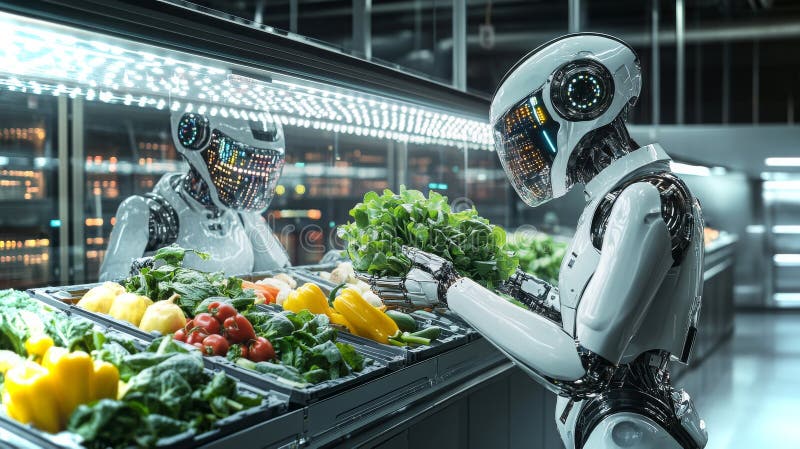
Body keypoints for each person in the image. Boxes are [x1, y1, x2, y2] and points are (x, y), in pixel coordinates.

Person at [361, 33, 708, 449]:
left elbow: (583, 365)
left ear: (576, 98)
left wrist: (451, 287)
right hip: (622, 422)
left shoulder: (643, 198)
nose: (525, 154)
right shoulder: (621, 196)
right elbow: (576, 316)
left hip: (628, 430)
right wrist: (503, 282)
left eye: (526, 135)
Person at [100, 110, 289, 280]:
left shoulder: (244, 217)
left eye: (263, 167)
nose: (251, 176)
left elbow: (283, 279)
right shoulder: (148, 215)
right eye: (239, 159)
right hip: (170, 318)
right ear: (193, 136)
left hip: (233, 318)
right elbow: (112, 293)